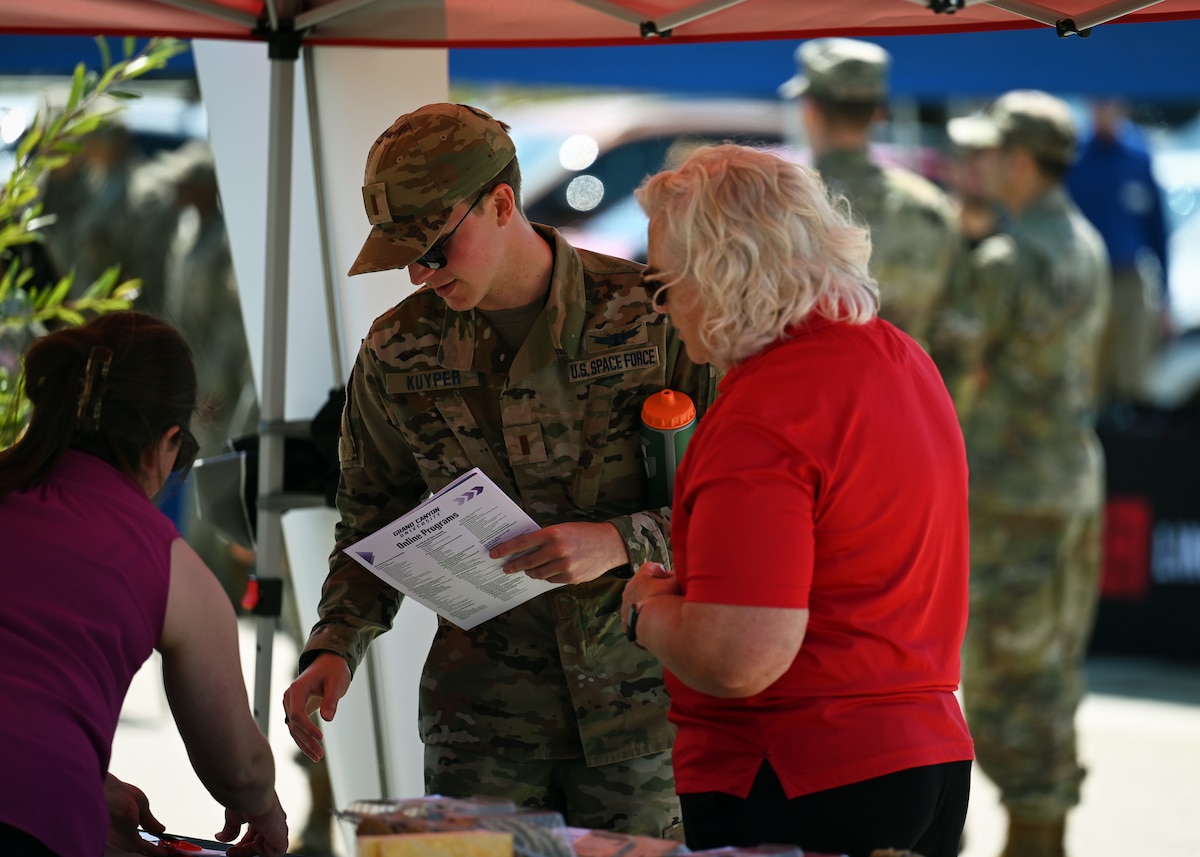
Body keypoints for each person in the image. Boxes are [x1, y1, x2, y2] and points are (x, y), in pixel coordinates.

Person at [281, 102, 717, 837]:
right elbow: (371, 517)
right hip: (481, 729)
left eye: (435, 249)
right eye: (404, 257)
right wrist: (335, 642)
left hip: (638, 716)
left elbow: (735, 510)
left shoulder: (654, 319)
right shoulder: (397, 351)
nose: (420, 274)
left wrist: (616, 542)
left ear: (502, 202)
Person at [622, 143, 974, 857]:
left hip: (800, 771)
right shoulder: (900, 357)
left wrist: (648, 614)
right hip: (922, 754)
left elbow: (739, 655)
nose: (663, 309)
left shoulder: (767, 409)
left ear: (721, 272)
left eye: (665, 284)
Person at [0, 311, 289, 857]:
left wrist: (92, 786)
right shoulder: (169, 564)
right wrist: (266, 813)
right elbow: (240, 769)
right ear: (169, 442)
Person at [946, 90, 1111, 857]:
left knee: (1013, 674)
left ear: (1018, 160)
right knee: (1050, 662)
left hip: (1013, 491)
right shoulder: (1082, 241)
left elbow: (957, 364)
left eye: (987, 153)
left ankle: (1036, 836)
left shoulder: (1013, 259)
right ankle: (1044, 822)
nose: (977, 166)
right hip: (1067, 477)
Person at [780, 37, 967, 350]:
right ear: (879, 113)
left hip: (813, 387)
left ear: (810, 111)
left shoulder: (784, 203)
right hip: (908, 386)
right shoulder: (931, 207)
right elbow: (957, 327)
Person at [1067, 98, 1170, 408]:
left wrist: (1166, 298)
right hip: (1088, 277)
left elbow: (1157, 230)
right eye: (1098, 103)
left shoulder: (1138, 156)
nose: (1104, 112)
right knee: (1091, 371)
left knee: (1134, 370)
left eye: (1110, 103)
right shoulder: (1076, 157)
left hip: (1130, 276)